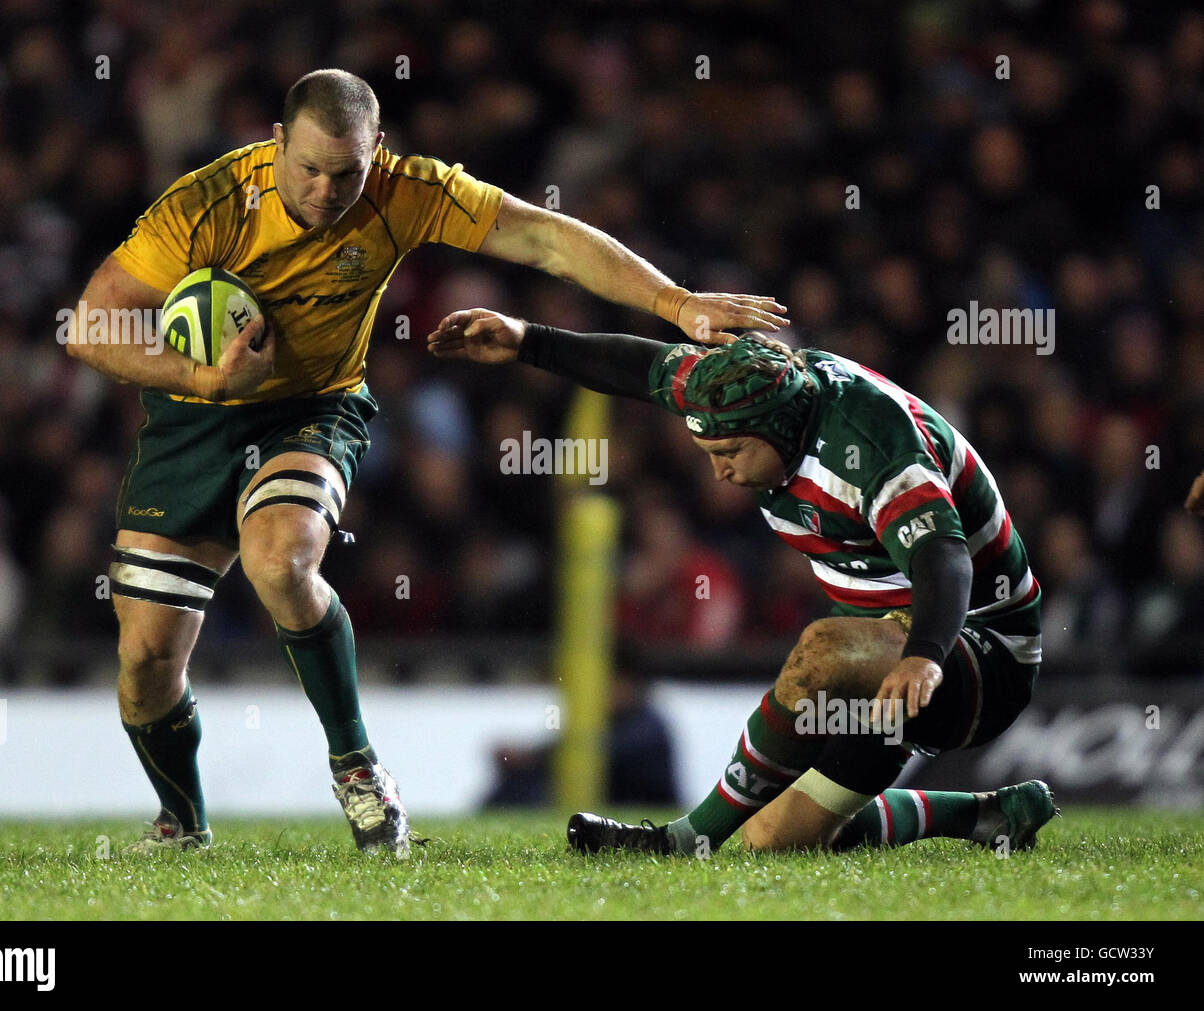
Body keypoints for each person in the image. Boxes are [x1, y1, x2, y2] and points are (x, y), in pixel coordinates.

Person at [62, 69, 790, 856]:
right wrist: (199, 378)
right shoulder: (208, 203)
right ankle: (181, 824)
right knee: (145, 658)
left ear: (378, 151)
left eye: (347, 172)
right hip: (193, 419)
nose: (326, 188)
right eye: (307, 167)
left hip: (311, 408)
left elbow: (545, 234)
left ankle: (358, 769)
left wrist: (676, 303)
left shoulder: (408, 192)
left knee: (282, 560)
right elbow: (90, 324)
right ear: (276, 144)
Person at [427, 307, 1058, 854]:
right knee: (772, 842)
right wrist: (527, 339)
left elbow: (944, 556)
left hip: (973, 649)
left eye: (730, 455)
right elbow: (638, 367)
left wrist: (924, 656)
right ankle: (988, 814)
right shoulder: (743, 390)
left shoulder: (868, 438)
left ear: (781, 433)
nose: (721, 473)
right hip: (884, 655)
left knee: (821, 651)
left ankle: (684, 839)